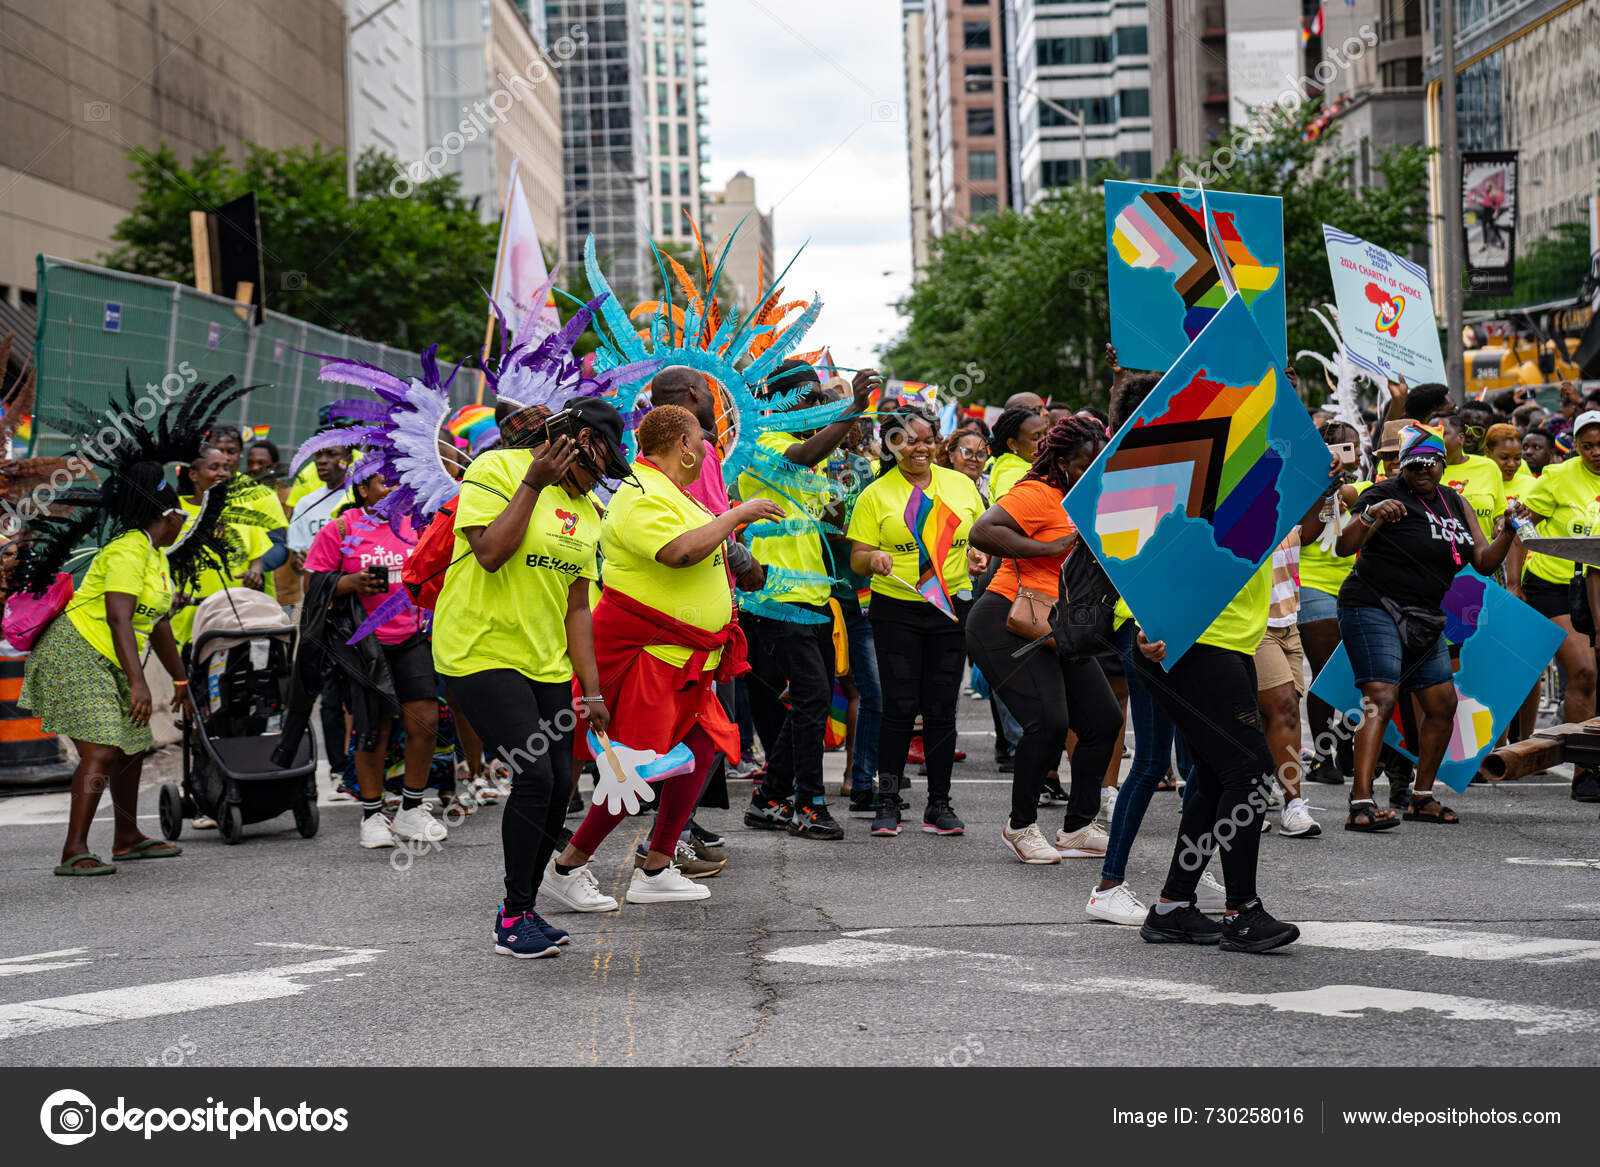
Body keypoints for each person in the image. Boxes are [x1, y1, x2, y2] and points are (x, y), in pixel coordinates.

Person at [551, 405, 784, 904]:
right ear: (682, 443)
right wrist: (736, 515)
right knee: (633, 773)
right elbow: (678, 554)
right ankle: (568, 867)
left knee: (700, 751)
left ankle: (656, 868)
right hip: (650, 659)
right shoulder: (640, 493)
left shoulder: (674, 493)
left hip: (684, 661)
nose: (707, 448)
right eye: (702, 438)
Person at [434, 398, 629, 958]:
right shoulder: (495, 470)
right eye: (595, 463)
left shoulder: (589, 512)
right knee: (537, 777)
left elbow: (576, 608)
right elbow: (492, 552)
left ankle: (523, 908)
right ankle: (513, 915)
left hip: (544, 662)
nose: (597, 478)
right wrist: (533, 484)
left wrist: (591, 691)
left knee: (561, 786)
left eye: (605, 471)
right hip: (478, 650)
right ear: (570, 440)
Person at [1338, 423, 1529, 828]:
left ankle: (1421, 798)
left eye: (1431, 463)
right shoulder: (1383, 493)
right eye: (1414, 464)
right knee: (1382, 696)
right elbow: (1344, 546)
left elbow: (1483, 561)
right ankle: (1360, 803)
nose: (1423, 470)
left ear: (1443, 464)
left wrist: (1510, 531)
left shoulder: (1456, 503)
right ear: (1403, 465)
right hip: (1373, 605)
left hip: (1424, 614)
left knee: (1443, 705)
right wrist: (1370, 515)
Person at [20, 465, 192, 874]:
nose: (184, 521)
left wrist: (181, 677)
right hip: (75, 652)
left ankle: (127, 838)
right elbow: (119, 617)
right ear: (167, 516)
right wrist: (138, 683)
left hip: (111, 657)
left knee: (131, 748)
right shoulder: (126, 551)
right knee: (101, 749)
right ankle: (74, 850)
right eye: (180, 515)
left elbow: (159, 622)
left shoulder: (155, 556)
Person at [967, 416, 1123, 863]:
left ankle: (1077, 828)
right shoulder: (1038, 493)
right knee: (1049, 722)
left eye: (1098, 463)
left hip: (1061, 626)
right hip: (1008, 619)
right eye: (1083, 464)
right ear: (1061, 460)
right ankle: (1020, 826)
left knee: (1104, 720)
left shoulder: (1091, 498)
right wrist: (1049, 549)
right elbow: (983, 531)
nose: (1091, 471)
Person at [739, 361, 878, 841]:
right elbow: (799, 455)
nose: (813, 403)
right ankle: (808, 804)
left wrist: (839, 497)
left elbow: (830, 519)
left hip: (815, 594)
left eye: (817, 396)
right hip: (777, 595)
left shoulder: (813, 459)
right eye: (805, 396)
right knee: (812, 697)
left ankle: (767, 799)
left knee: (808, 701)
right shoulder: (763, 442)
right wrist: (852, 410)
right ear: (777, 403)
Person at [848, 405, 985, 837]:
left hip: (951, 609)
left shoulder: (961, 486)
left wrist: (981, 555)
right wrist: (875, 557)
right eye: (908, 439)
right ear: (891, 444)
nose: (919, 447)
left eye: (927, 439)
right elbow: (856, 559)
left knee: (942, 709)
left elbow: (980, 538)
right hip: (897, 612)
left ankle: (939, 804)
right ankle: (887, 802)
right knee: (899, 707)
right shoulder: (874, 494)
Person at [302, 463, 444, 850]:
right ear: (363, 489)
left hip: (412, 638)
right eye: (385, 482)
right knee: (372, 728)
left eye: (400, 481)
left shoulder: (415, 523)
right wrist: (349, 583)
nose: (394, 488)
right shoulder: (342, 529)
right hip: (363, 646)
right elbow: (312, 584)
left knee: (426, 720)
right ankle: (371, 814)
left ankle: (411, 809)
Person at [1518, 410, 1600, 803]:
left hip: (1598, 585)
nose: (1595, 452)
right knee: (1584, 672)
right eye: (1587, 446)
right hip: (1555, 585)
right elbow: (1520, 528)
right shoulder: (1558, 477)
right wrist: (1516, 584)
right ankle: (1585, 771)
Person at [1300, 420, 1367, 786]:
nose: (1350, 454)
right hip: (1311, 583)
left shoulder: (1363, 487)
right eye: (1340, 448)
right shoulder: (1305, 485)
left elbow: (1358, 497)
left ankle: (1345, 738)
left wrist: (1341, 490)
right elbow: (1305, 536)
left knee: (1360, 673)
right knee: (1325, 673)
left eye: (1354, 446)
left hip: (1354, 586)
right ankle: (1320, 758)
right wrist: (1323, 490)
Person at [1255, 528, 1321, 837]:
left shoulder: (1289, 492)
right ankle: (1290, 803)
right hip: (1253, 621)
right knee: (1281, 707)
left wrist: (1325, 496)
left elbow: (1307, 533)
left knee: (1283, 712)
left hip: (1287, 619)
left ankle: (1275, 800)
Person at [1432, 412, 1506, 539]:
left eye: (1441, 434)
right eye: (1430, 434)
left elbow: (1499, 513)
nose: (1433, 439)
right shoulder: (1423, 471)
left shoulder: (1488, 467)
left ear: (1461, 438)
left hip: (1484, 555)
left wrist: (1501, 523)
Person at [986, 406, 1049, 503]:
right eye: (1036, 437)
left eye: (1046, 433)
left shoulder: (1026, 465)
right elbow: (1006, 514)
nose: (1045, 440)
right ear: (1013, 444)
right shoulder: (1011, 474)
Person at [937, 425, 988, 491]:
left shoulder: (989, 491)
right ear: (951, 456)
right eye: (967, 452)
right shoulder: (938, 488)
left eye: (980, 454)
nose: (974, 458)